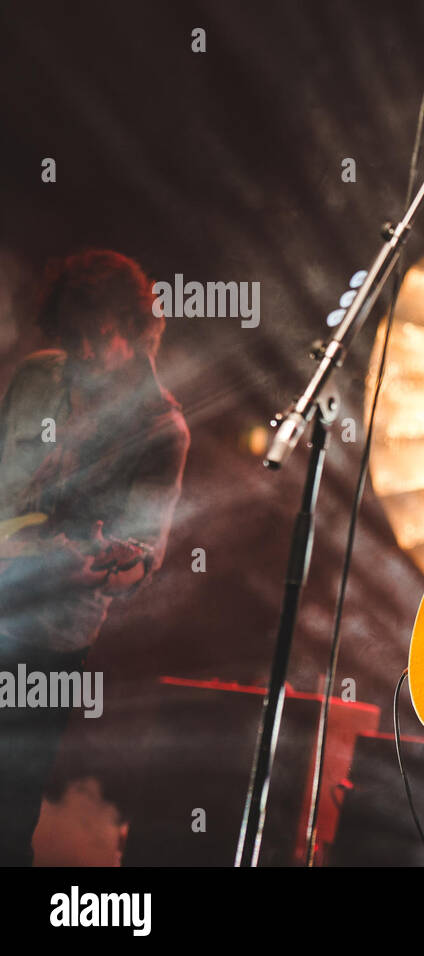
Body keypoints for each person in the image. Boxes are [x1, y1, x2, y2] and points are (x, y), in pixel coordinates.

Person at [0, 250, 189, 865]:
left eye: (96, 337)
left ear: (137, 332)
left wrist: (106, 566)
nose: (80, 351)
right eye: (70, 336)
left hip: (43, 639)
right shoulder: (35, 376)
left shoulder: (161, 429)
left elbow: (142, 559)